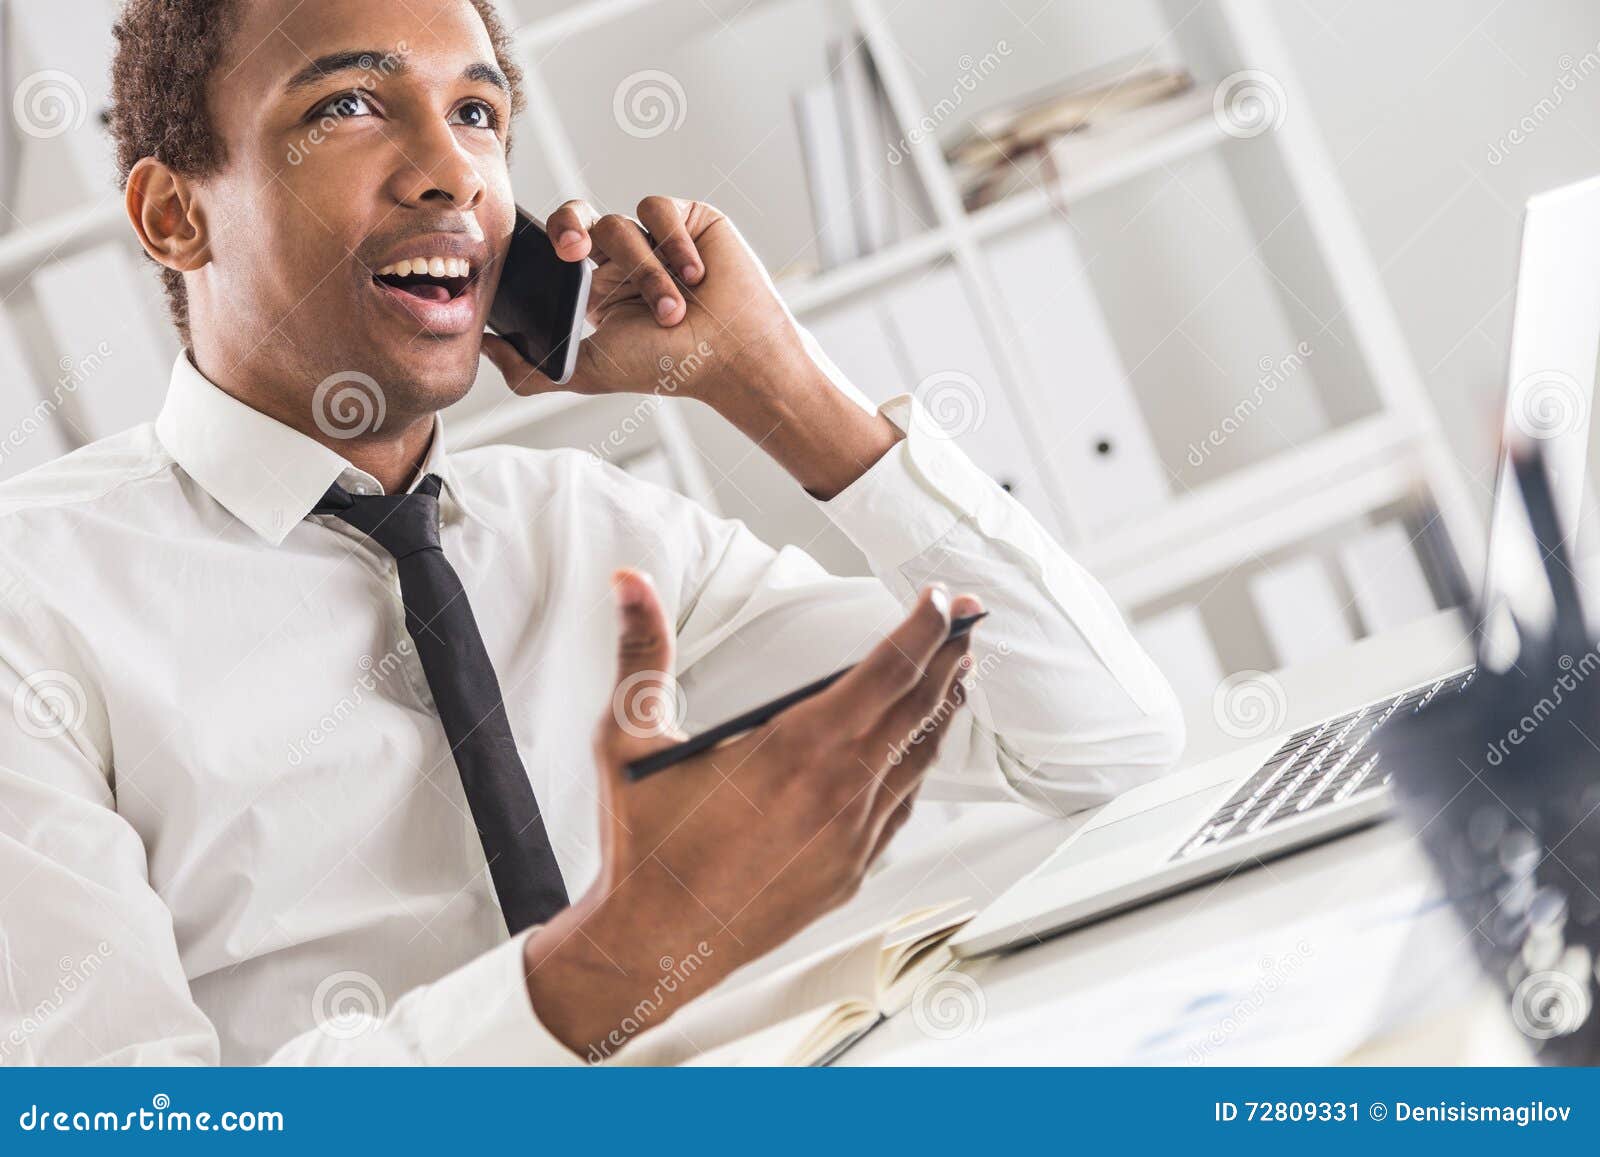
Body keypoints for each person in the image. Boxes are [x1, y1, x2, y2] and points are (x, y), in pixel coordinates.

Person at [0, 0, 1183, 1064]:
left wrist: (775, 382)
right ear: (173, 214)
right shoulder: (32, 604)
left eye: (477, 114)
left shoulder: (590, 529)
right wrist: (600, 969)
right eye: (348, 105)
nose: (451, 173)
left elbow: (1096, 742)